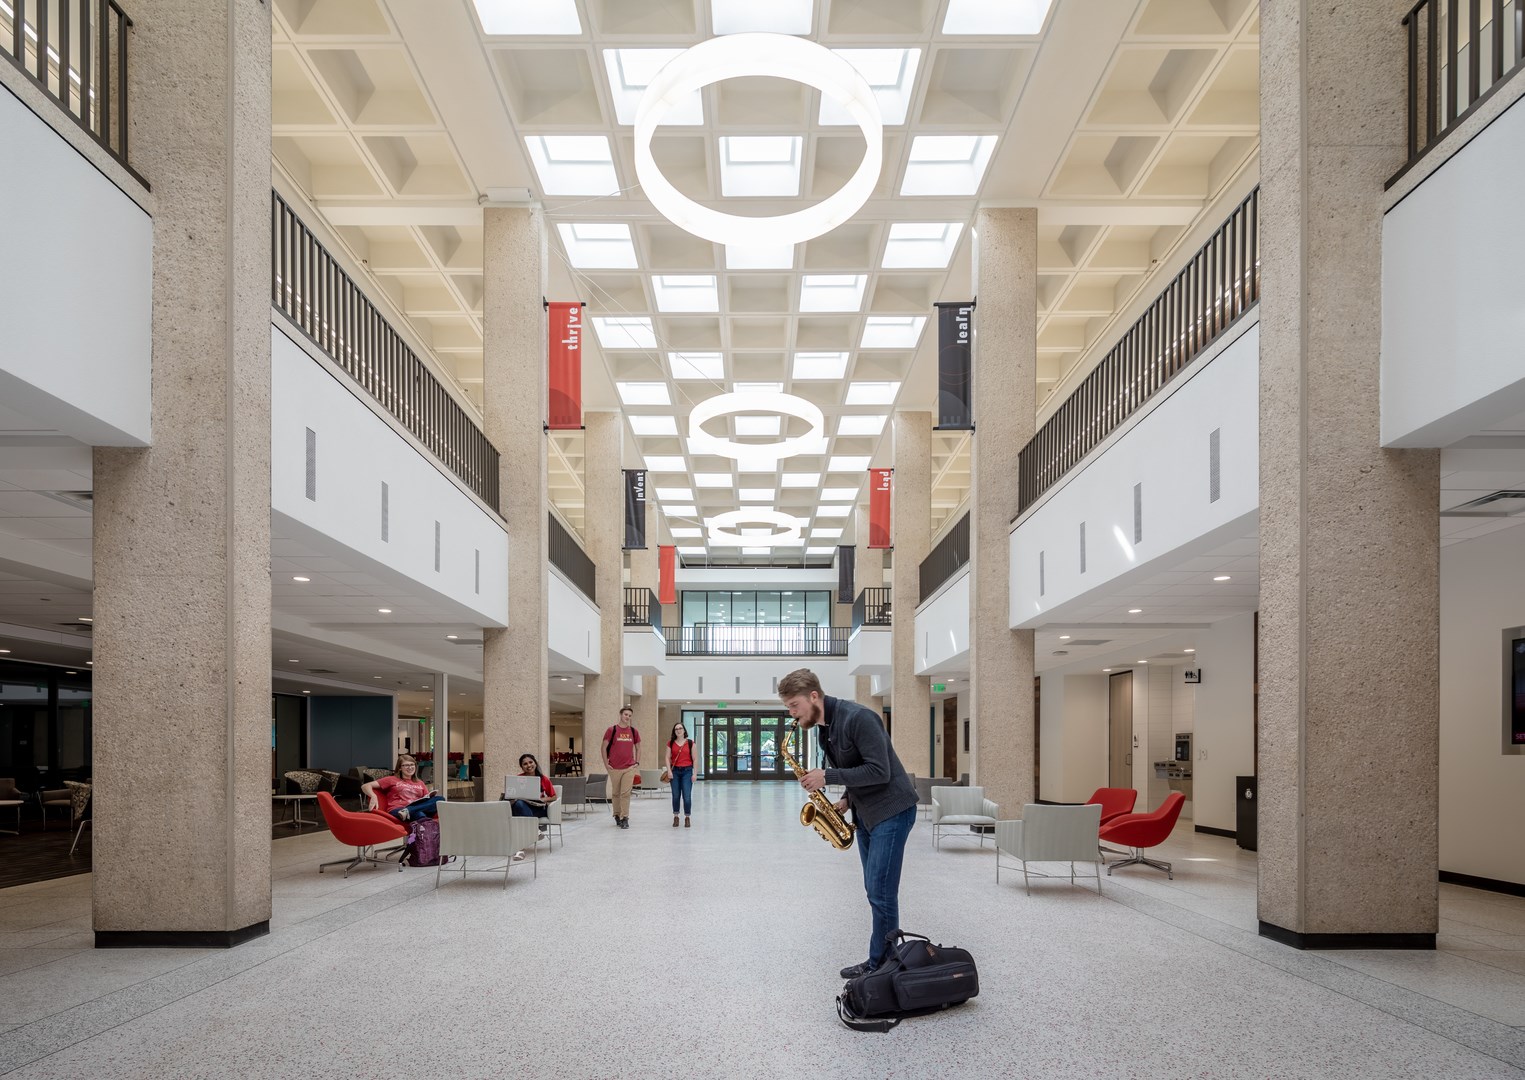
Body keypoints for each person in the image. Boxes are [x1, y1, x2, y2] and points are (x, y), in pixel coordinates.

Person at [779, 667, 917, 979]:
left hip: (892, 811)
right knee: (874, 889)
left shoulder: (860, 718)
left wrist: (826, 775)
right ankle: (886, 960)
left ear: (814, 696)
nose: (791, 714)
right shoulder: (825, 729)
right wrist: (845, 801)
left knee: (881, 892)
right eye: (788, 707)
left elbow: (879, 771)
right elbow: (858, 771)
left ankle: (878, 965)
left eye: (794, 705)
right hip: (866, 812)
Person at [363, 755, 441, 821]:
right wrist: (373, 795)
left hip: (415, 808)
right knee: (419, 814)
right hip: (398, 810)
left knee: (440, 799)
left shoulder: (420, 782)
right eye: (406, 765)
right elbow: (365, 786)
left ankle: (409, 811)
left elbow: (426, 799)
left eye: (412, 764)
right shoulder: (391, 779)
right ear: (400, 768)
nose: (410, 767)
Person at [602, 705, 641, 829]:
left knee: (625, 793)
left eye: (630, 716)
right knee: (615, 793)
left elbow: (639, 748)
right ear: (621, 715)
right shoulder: (612, 730)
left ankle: (625, 818)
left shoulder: (634, 731)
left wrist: (637, 762)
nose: (627, 717)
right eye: (626, 714)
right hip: (614, 768)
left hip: (629, 767)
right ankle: (617, 815)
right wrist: (606, 763)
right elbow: (603, 747)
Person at [508, 753, 558, 836]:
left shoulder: (543, 779)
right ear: (522, 767)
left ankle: (528, 834)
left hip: (538, 808)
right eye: (525, 764)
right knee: (519, 804)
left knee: (519, 810)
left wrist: (543, 799)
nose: (529, 765)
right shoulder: (518, 779)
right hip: (522, 807)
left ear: (535, 763)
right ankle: (534, 830)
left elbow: (554, 797)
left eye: (531, 762)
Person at [664, 721, 696, 828]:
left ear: (684, 730)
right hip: (675, 772)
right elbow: (667, 758)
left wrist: (695, 773)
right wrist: (669, 771)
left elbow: (695, 759)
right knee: (676, 795)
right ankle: (676, 816)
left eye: (680, 728)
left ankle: (687, 817)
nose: (678, 730)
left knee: (687, 796)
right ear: (674, 731)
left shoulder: (691, 743)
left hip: (687, 771)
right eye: (676, 729)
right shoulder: (671, 743)